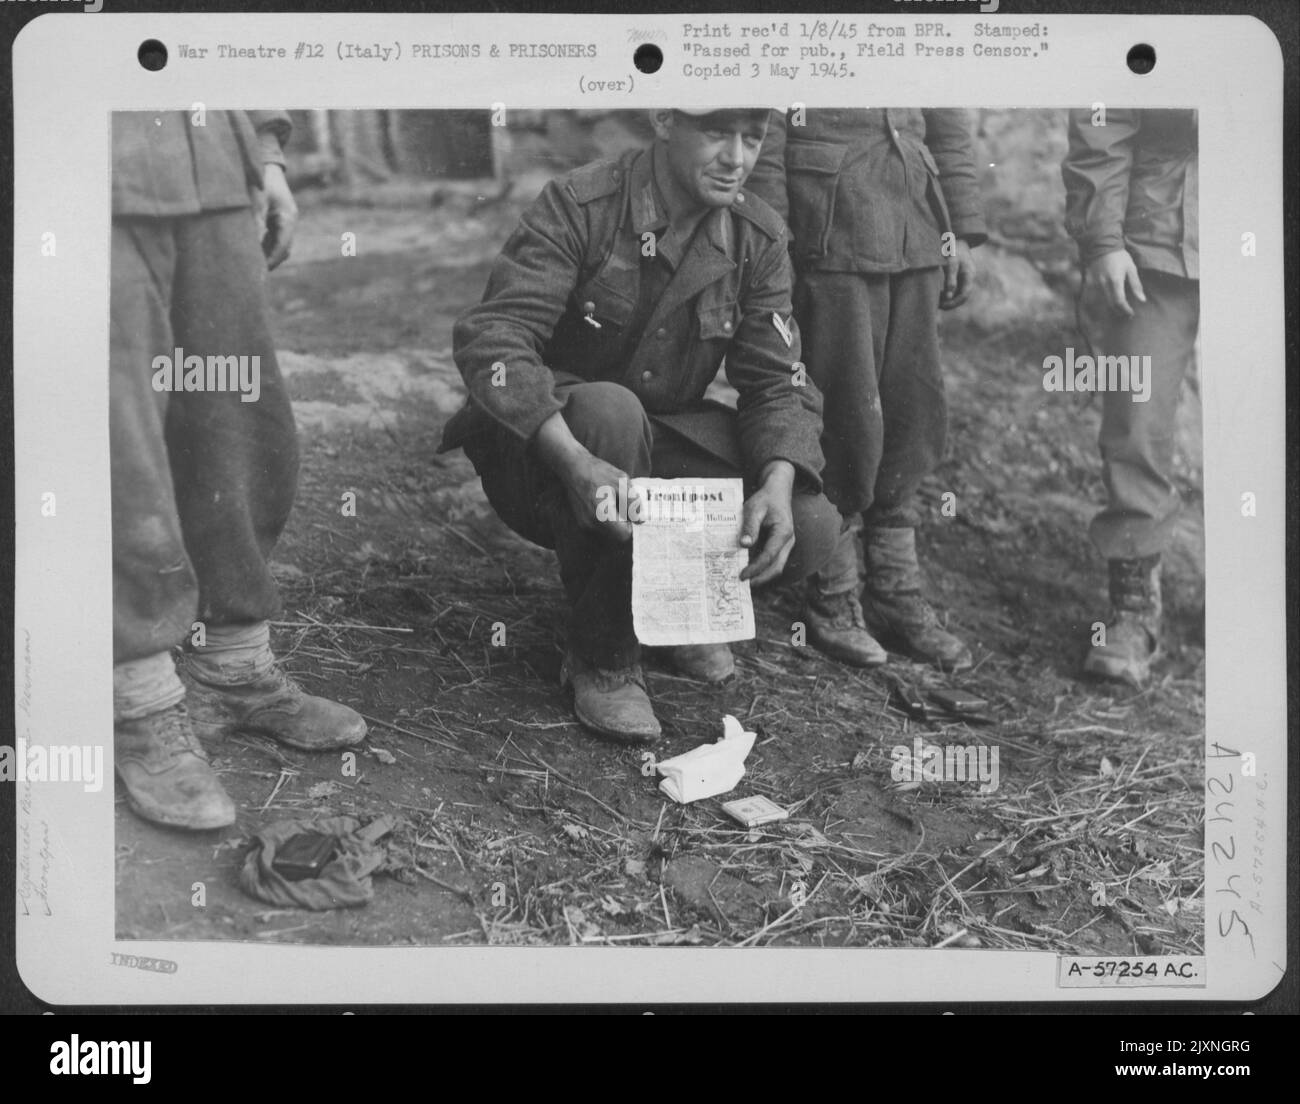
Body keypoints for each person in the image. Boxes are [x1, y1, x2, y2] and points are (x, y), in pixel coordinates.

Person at [440, 108, 840, 743]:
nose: (737, 158)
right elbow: (495, 340)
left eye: (753, 137)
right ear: (664, 120)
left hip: (650, 440)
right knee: (611, 412)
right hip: (545, 451)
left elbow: (778, 380)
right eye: (717, 132)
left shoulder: (756, 236)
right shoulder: (583, 204)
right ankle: (602, 658)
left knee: (812, 522)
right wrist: (573, 461)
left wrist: (778, 483)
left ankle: (675, 613)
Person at [112, 110, 367, 831]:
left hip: (215, 163)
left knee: (238, 408)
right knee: (119, 429)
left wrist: (266, 157)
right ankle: (138, 698)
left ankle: (232, 667)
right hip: (90, 171)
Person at [747, 109, 987, 672]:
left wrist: (958, 229)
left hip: (917, 226)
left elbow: (947, 118)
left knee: (913, 413)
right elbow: (766, 126)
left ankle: (896, 590)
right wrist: (772, 239)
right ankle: (832, 592)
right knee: (842, 413)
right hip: (829, 229)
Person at [1061, 108, 1199, 686]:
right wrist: (1103, 241)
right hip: (1156, 235)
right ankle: (1134, 605)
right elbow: (1104, 118)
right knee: (1135, 421)